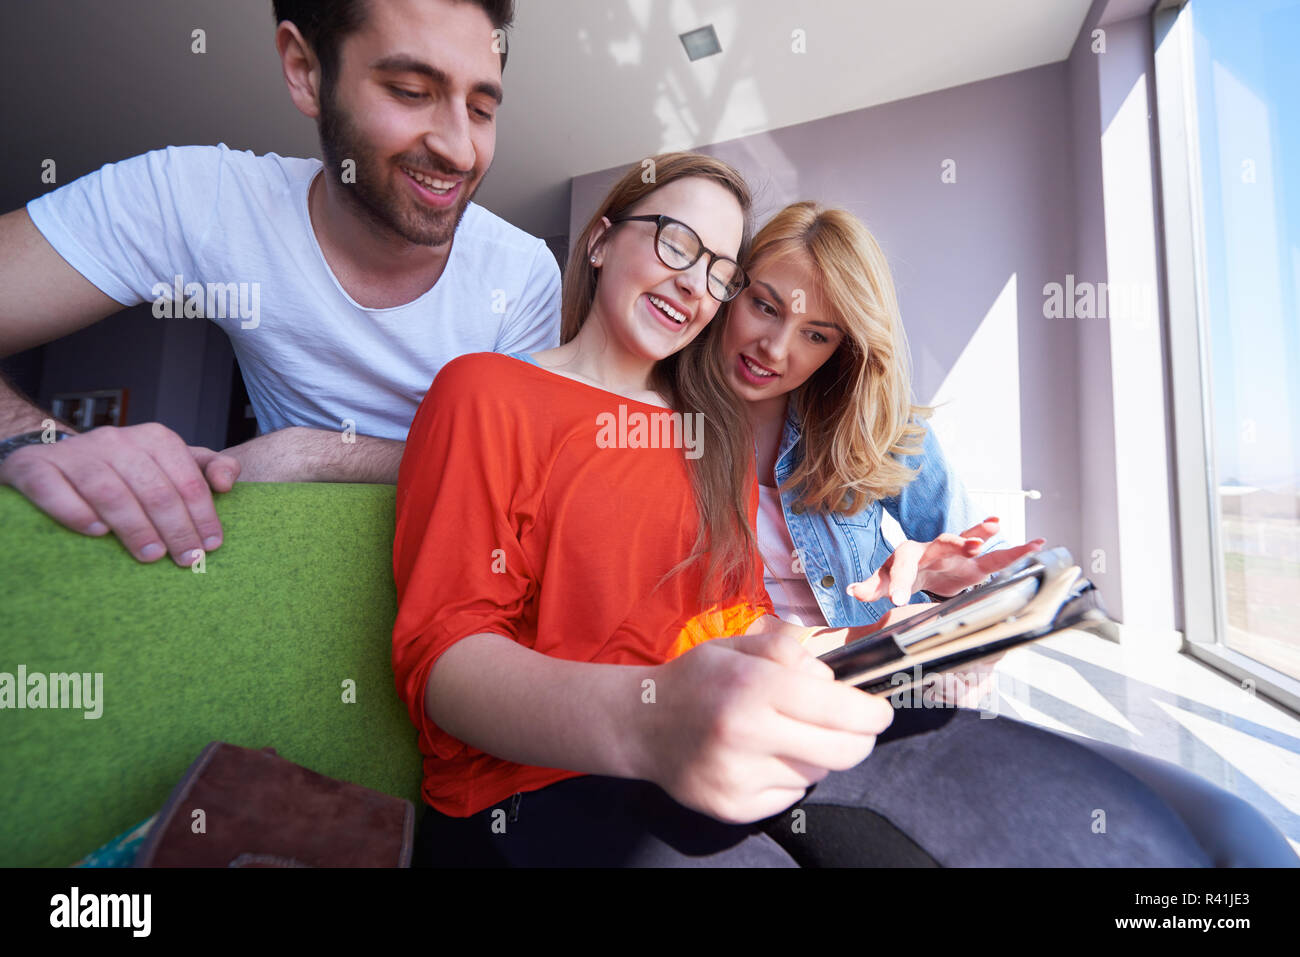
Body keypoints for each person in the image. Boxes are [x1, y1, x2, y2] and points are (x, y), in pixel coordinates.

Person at [392, 157, 1211, 867]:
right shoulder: (484, 390)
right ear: (600, 238)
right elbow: (445, 657)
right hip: (542, 787)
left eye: (718, 269)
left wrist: (916, 639)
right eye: (676, 242)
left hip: (736, 744)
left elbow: (743, 628)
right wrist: (650, 723)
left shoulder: (698, 441)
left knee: (1104, 831)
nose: (694, 281)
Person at [0, 0, 559, 569]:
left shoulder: (522, 273)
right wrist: (28, 437)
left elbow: (526, 479)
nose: (460, 149)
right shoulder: (198, 197)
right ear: (306, 71)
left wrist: (311, 454)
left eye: (482, 109)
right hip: (277, 564)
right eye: (411, 91)